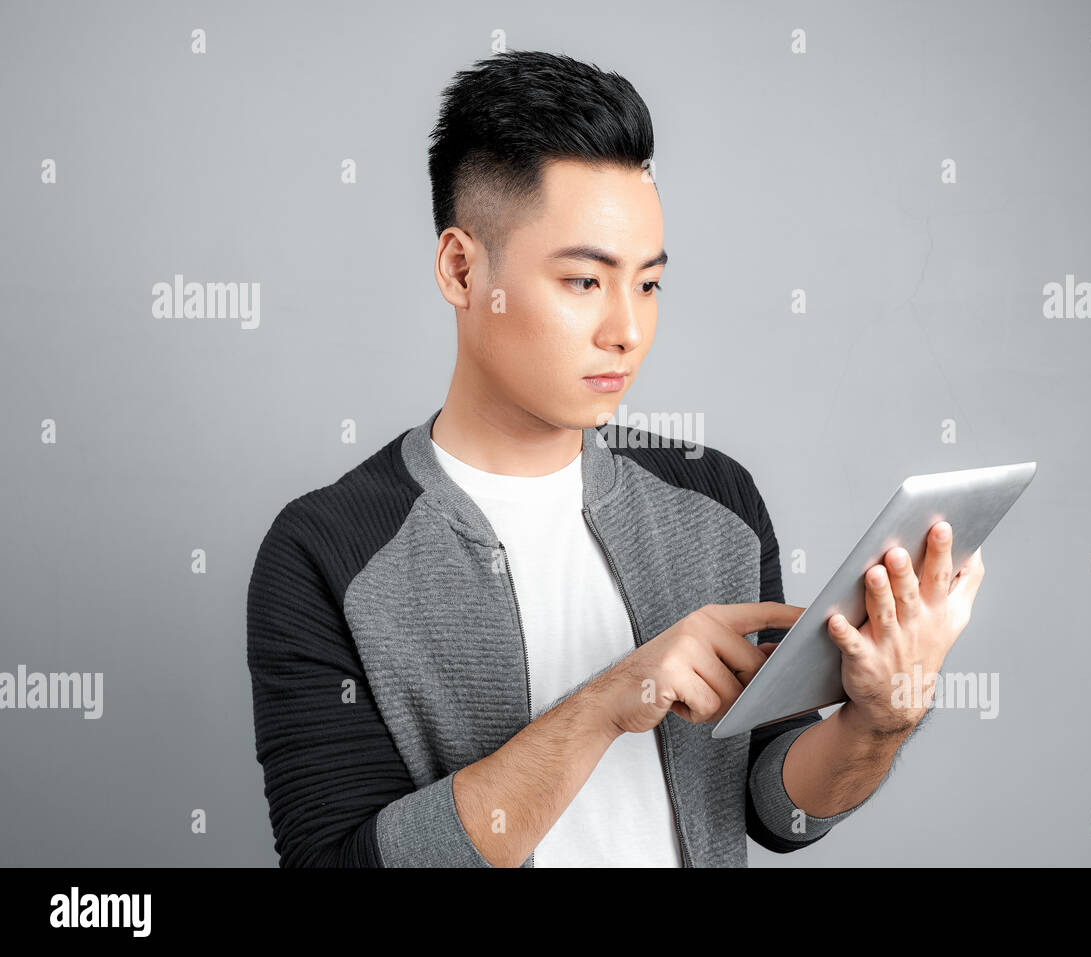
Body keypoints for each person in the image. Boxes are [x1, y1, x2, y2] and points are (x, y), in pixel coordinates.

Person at [245, 49, 985, 868]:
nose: (627, 330)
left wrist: (877, 719)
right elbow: (335, 863)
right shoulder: (325, 552)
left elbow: (778, 810)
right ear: (462, 269)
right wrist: (610, 700)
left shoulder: (718, 501)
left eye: (649, 284)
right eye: (584, 283)